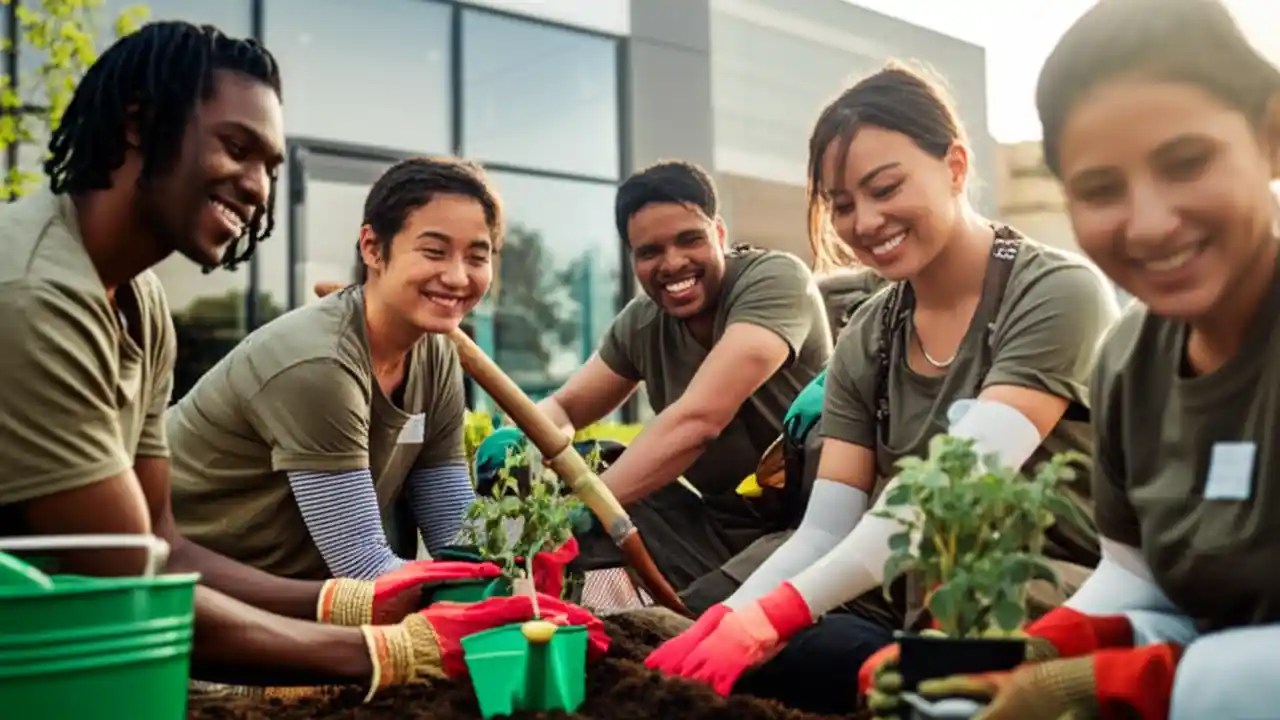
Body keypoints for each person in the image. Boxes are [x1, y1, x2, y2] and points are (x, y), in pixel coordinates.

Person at [0, 20, 596, 699]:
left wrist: (497, 559)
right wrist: (394, 651)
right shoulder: (35, 297)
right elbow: (124, 584)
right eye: (236, 148)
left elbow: (158, 546)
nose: (257, 186)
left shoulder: (141, 303)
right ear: (137, 124)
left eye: (271, 167)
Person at [645, 61, 1119, 713]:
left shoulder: (1057, 293)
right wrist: (727, 619)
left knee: (922, 680)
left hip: (1041, 593)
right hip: (909, 592)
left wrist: (772, 616)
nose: (864, 221)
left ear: (954, 165)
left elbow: (949, 489)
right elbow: (828, 528)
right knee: (736, 650)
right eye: (841, 204)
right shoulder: (871, 331)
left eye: (886, 187)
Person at [863, 1, 1280, 718]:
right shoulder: (1128, 362)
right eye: (1100, 190)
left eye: (1187, 163)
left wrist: (1116, 686)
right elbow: (1143, 583)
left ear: (1271, 136)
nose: (1150, 222)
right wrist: (1026, 653)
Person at [474, 160, 832, 607]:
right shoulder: (642, 324)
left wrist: (580, 512)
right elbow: (565, 409)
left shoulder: (775, 281)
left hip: (810, 533)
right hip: (720, 533)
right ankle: (528, 603)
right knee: (587, 465)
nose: (673, 263)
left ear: (719, 234)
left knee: (695, 627)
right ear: (633, 259)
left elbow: (699, 420)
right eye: (650, 252)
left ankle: (691, 610)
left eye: (690, 240)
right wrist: (519, 438)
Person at [167, 156, 491, 582]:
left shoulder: (437, 354)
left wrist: (517, 571)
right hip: (186, 588)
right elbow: (364, 570)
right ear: (372, 248)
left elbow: (457, 533)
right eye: (434, 251)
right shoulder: (320, 363)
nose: (456, 276)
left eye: (477, 257)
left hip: (291, 596)